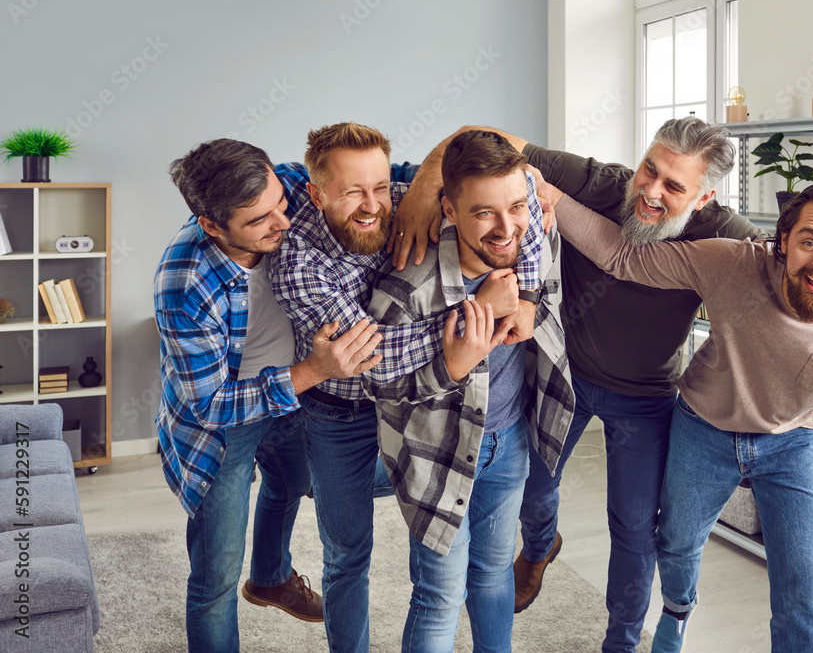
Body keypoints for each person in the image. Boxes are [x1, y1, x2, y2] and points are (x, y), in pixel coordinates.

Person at [548, 180, 813, 652]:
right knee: (676, 543)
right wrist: (552, 199)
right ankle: (678, 609)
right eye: (809, 242)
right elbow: (624, 256)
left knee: (803, 587)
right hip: (702, 425)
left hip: (793, 441)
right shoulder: (732, 264)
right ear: (783, 241)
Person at [269, 122, 545, 652]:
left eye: (380, 187)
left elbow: (513, 196)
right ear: (317, 193)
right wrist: (479, 318)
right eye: (352, 192)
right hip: (341, 413)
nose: (374, 205)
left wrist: (526, 292)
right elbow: (370, 357)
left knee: (463, 557)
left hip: (426, 406)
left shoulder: (407, 198)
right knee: (347, 555)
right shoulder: (298, 260)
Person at [155, 138, 384, 653]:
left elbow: (399, 173)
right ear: (213, 226)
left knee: (291, 482)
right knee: (214, 579)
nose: (284, 223)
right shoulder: (184, 284)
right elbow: (208, 405)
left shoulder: (288, 185)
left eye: (281, 203)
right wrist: (311, 371)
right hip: (222, 429)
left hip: (292, 401)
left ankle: (270, 578)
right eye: (260, 221)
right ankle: (248, 584)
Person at [363, 129, 575, 651]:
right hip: (439, 454)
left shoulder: (534, 234)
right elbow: (377, 384)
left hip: (508, 443)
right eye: (484, 213)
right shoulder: (409, 289)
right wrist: (453, 364)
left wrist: (526, 302)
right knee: (439, 593)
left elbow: (549, 292)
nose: (507, 228)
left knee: (494, 573)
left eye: (516, 207)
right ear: (450, 212)